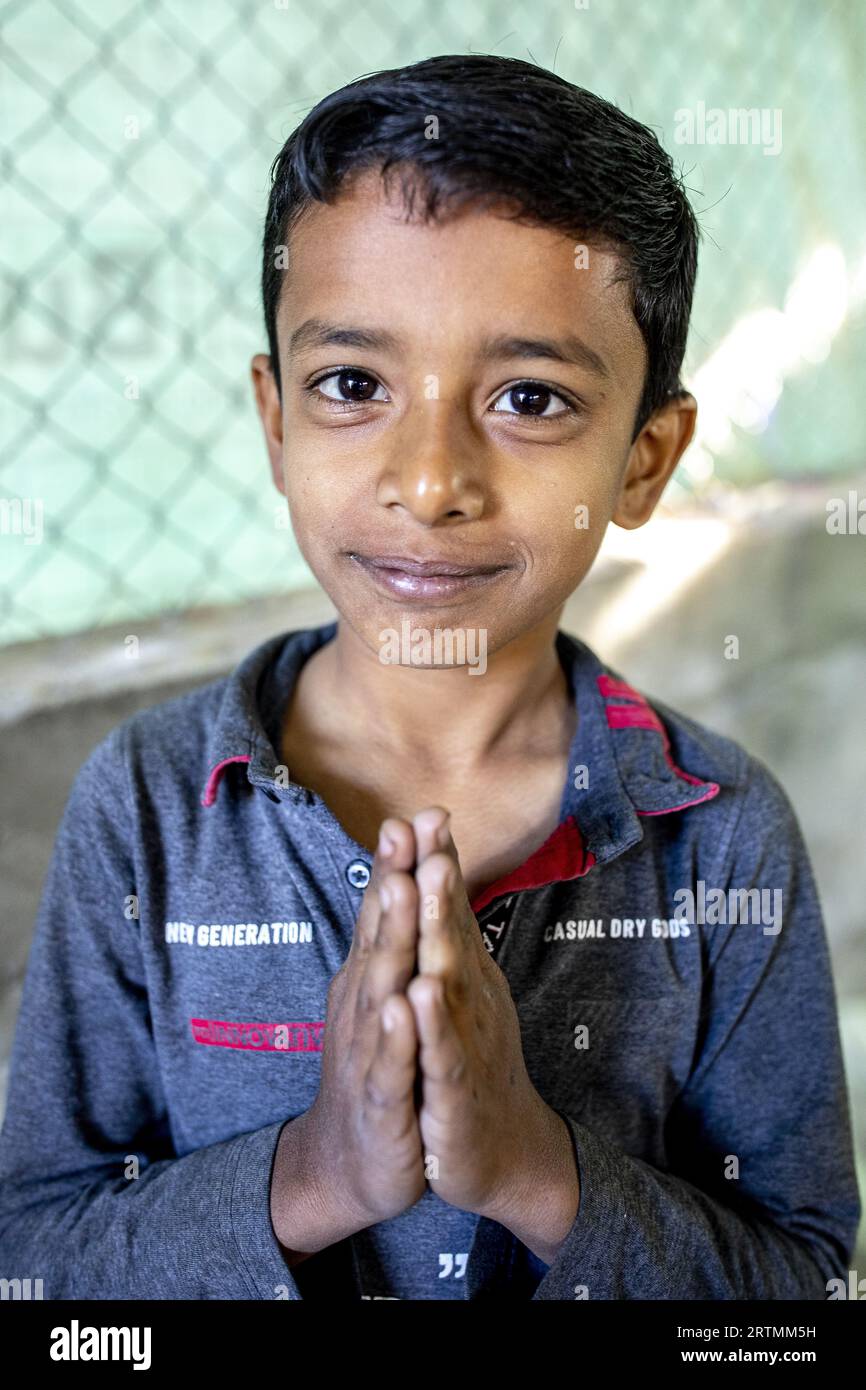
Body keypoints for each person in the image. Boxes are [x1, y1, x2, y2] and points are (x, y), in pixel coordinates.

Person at [0, 54, 859, 1300]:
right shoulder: (145, 811)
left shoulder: (718, 840)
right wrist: (315, 1174)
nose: (427, 478)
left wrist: (533, 1168)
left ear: (644, 459)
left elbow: (800, 1288)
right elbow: (35, 1266)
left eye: (528, 396)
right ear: (276, 421)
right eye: (352, 385)